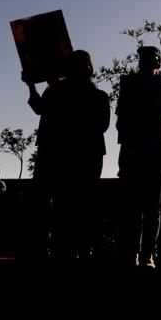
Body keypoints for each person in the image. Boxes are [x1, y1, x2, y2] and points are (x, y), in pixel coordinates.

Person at [25, 51, 111, 261]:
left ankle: (78, 247)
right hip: (64, 154)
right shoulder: (56, 91)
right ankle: (63, 248)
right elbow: (39, 108)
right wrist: (32, 85)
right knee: (63, 204)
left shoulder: (95, 96)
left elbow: (102, 125)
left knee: (78, 203)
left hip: (82, 155)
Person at [116, 46, 161, 268]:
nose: (146, 62)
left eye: (151, 58)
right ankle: (131, 253)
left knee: (152, 205)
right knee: (132, 205)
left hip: (157, 149)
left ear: (158, 62)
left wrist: (159, 115)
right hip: (133, 148)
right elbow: (120, 122)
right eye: (143, 58)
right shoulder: (129, 86)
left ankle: (147, 254)